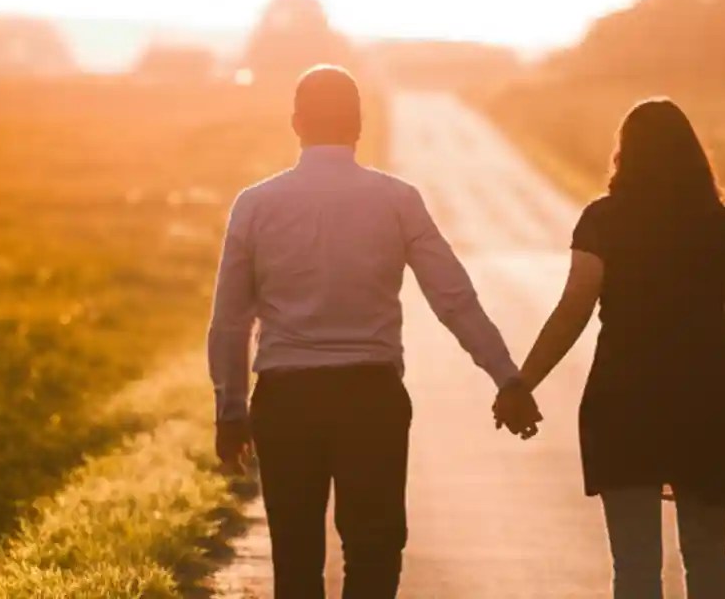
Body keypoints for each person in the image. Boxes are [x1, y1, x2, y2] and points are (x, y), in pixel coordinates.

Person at [208, 65, 542, 598]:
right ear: (359, 125)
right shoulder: (397, 200)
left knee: (294, 559)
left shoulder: (256, 205)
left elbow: (229, 319)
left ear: (296, 123)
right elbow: (453, 299)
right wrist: (507, 378)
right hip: (371, 399)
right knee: (374, 553)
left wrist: (230, 409)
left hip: (287, 398)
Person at [504, 98, 725, 598]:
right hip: (710, 404)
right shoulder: (722, 227)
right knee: (710, 554)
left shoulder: (604, 221)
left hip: (624, 402)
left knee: (634, 564)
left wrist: (523, 382)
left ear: (624, 154)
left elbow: (574, 310)